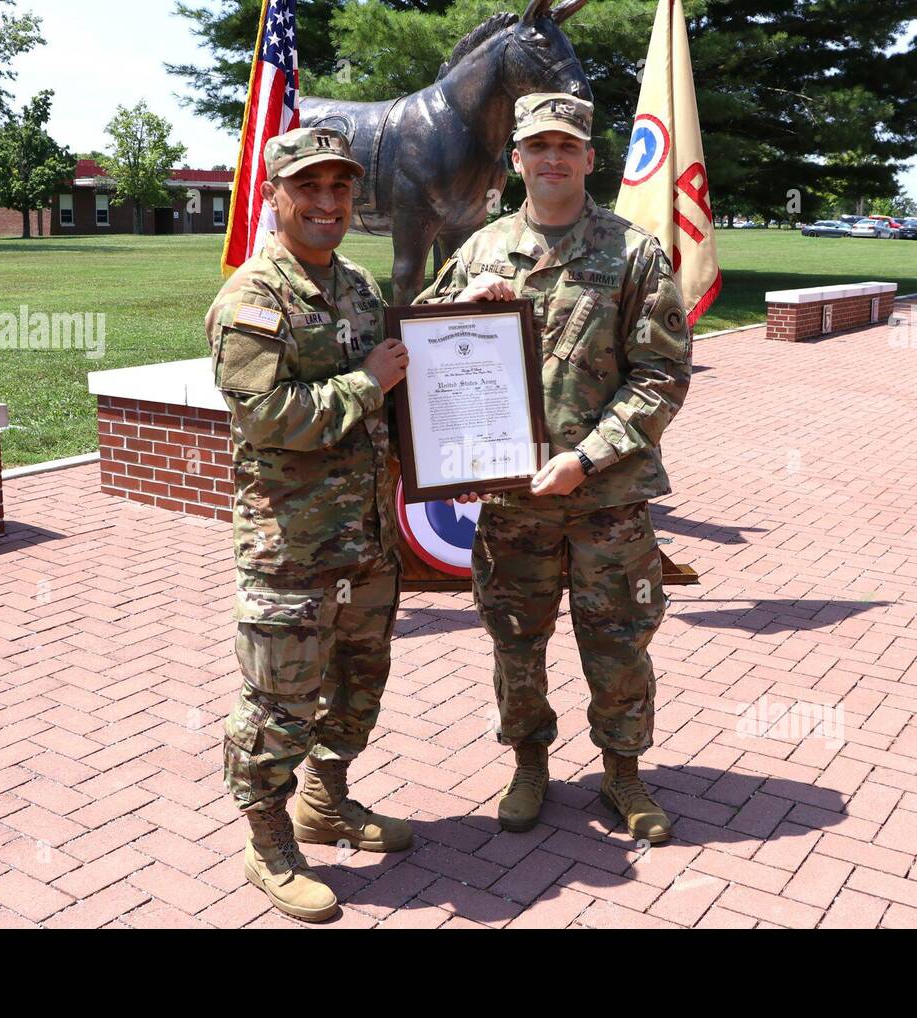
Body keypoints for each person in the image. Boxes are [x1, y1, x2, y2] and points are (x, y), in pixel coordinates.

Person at [415, 93, 693, 844]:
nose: (553, 159)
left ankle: (623, 770)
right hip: (513, 501)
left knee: (619, 639)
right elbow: (422, 354)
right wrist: (463, 302)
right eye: (538, 146)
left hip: (605, 497)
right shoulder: (478, 249)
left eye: (568, 146)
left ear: (589, 160)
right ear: (517, 160)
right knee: (515, 637)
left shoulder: (634, 253)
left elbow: (661, 377)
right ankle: (529, 760)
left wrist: (585, 457)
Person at [206, 127, 412, 921]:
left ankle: (324, 805)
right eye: (310, 189)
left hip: (363, 539)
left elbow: (399, 367)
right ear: (276, 195)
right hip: (289, 547)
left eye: (340, 189)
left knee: (360, 684)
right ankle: (268, 842)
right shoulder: (254, 299)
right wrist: (366, 385)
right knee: (278, 702)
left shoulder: (357, 284)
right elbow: (269, 418)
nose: (327, 204)